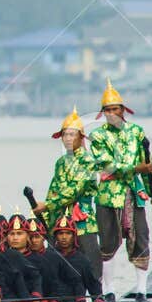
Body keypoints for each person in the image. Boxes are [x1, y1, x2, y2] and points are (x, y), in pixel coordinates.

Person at [87, 79, 152, 271]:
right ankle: (108, 291)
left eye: (115, 109)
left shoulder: (136, 132)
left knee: (141, 237)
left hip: (134, 192)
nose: (111, 114)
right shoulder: (97, 136)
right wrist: (135, 168)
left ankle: (141, 289)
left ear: (123, 110)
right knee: (107, 243)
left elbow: (148, 166)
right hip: (108, 194)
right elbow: (107, 165)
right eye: (107, 110)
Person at [32, 108, 104, 281]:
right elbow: (54, 189)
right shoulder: (61, 162)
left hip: (82, 220)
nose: (68, 139)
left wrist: (48, 205)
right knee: (56, 262)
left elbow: (74, 189)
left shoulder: (88, 161)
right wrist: (46, 214)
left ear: (81, 137)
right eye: (65, 135)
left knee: (90, 263)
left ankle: (97, 301)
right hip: (60, 220)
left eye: (72, 135)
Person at [51, 215, 104, 302]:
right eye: (60, 233)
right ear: (56, 236)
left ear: (74, 236)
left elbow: (93, 285)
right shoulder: (48, 256)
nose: (64, 237)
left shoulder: (82, 260)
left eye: (68, 233)